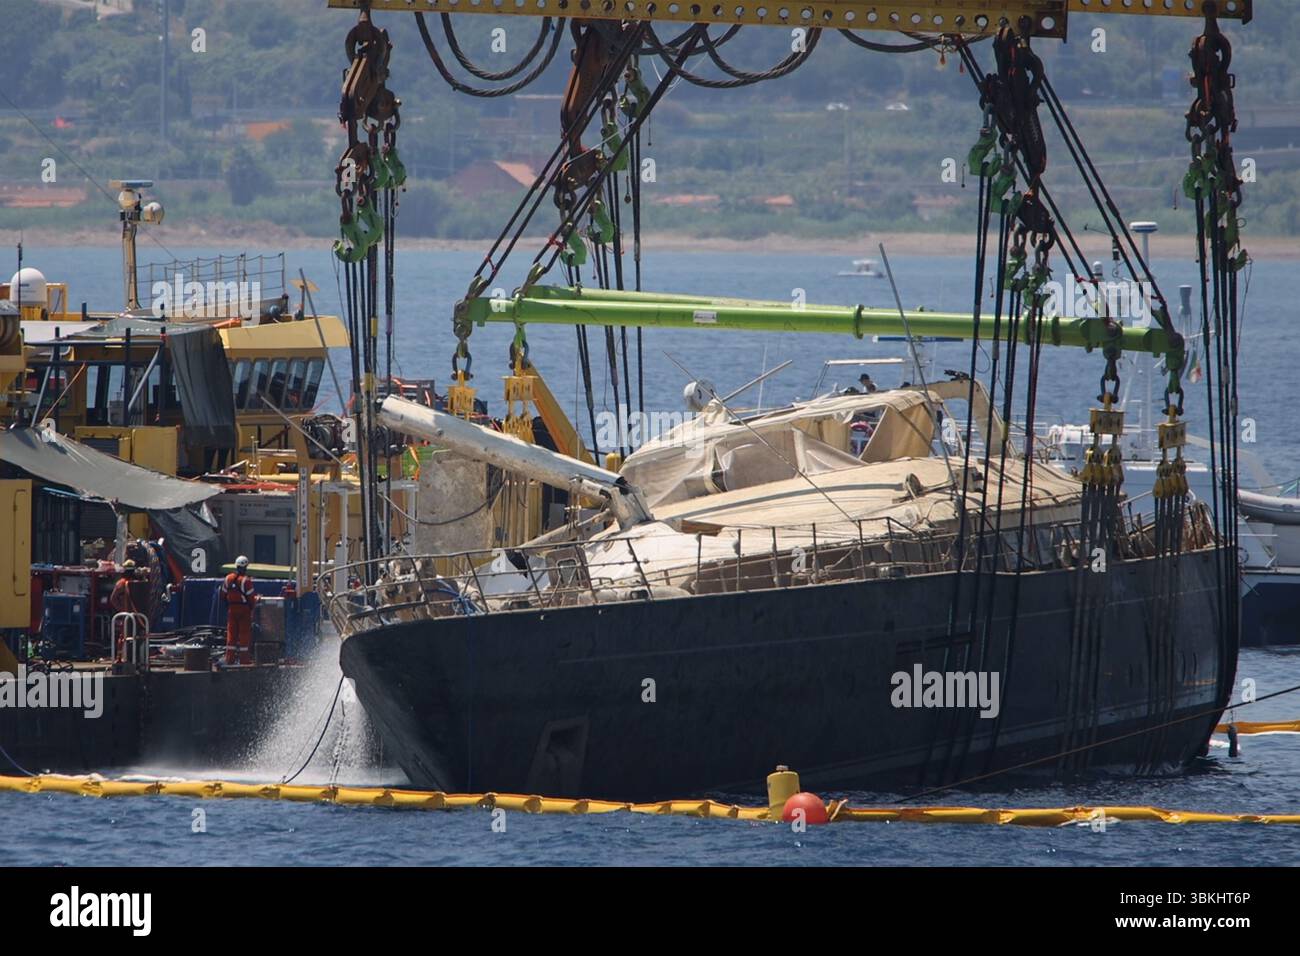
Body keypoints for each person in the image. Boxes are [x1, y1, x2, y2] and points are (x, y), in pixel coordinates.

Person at [223, 556, 259, 666]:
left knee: (231, 635)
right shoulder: (246, 581)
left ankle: (229, 660)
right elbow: (251, 599)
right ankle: (244, 660)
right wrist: (252, 606)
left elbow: (223, 594)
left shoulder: (228, 578)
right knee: (244, 635)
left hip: (231, 610)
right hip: (244, 611)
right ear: (245, 567)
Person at [109, 559, 139, 662]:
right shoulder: (122, 584)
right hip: (127, 616)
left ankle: (133, 657)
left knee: (136, 636)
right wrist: (122, 610)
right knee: (124, 636)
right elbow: (113, 599)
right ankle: (120, 658)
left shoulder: (136, 583)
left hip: (137, 616)